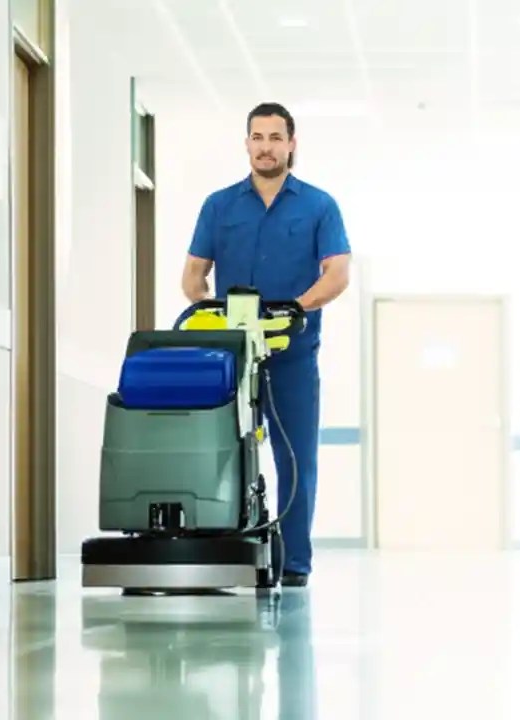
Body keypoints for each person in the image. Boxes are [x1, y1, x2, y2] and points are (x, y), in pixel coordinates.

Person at [180, 102, 351, 586]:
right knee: (223, 449)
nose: (266, 147)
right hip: (232, 357)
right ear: (247, 144)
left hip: (293, 353)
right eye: (257, 137)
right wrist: (209, 310)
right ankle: (226, 548)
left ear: (291, 144)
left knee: (295, 457)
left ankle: (294, 563)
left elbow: (337, 273)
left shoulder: (319, 206)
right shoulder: (219, 206)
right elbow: (193, 276)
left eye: (276, 138)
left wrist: (298, 306)